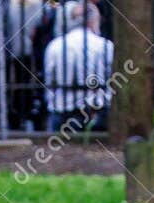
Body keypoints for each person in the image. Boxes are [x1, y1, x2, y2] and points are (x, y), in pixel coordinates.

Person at [43, 0, 113, 131]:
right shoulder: (105, 46)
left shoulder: (54, 46)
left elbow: (49, 81)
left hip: (62, 112)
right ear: (92, 21)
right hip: (97, 112)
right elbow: (112, 79)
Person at [3, 0, 49, 129]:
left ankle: (21, 114)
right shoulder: (37, 5)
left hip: (19, 50)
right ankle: (27, 113)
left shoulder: (11, 5)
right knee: (26, 81)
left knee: (21, 81)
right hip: (28, 51)